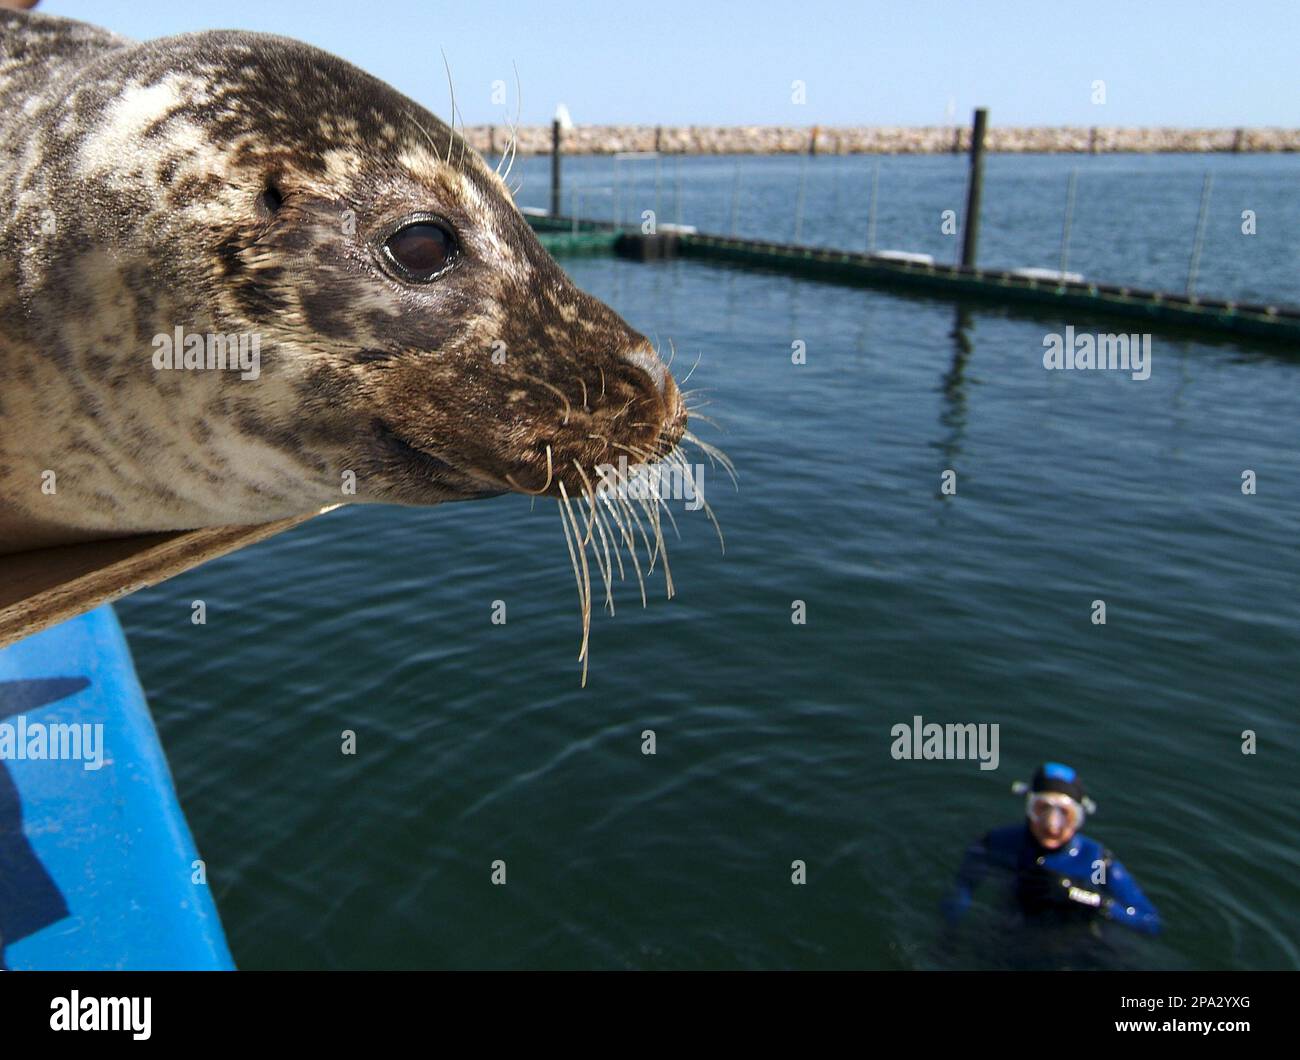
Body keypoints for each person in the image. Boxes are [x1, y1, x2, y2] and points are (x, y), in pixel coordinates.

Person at [943, 762, 1161, 935]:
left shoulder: (1097, 862)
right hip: (1015, 941)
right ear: (1029, 807)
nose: (1052, 826)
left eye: (1065, 814)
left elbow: (1150, 923)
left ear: (1079, 817)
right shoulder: (996, 845)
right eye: (1042, 809)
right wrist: (949, 935)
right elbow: (962, 889)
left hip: (1079, 947)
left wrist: (1091, 899)